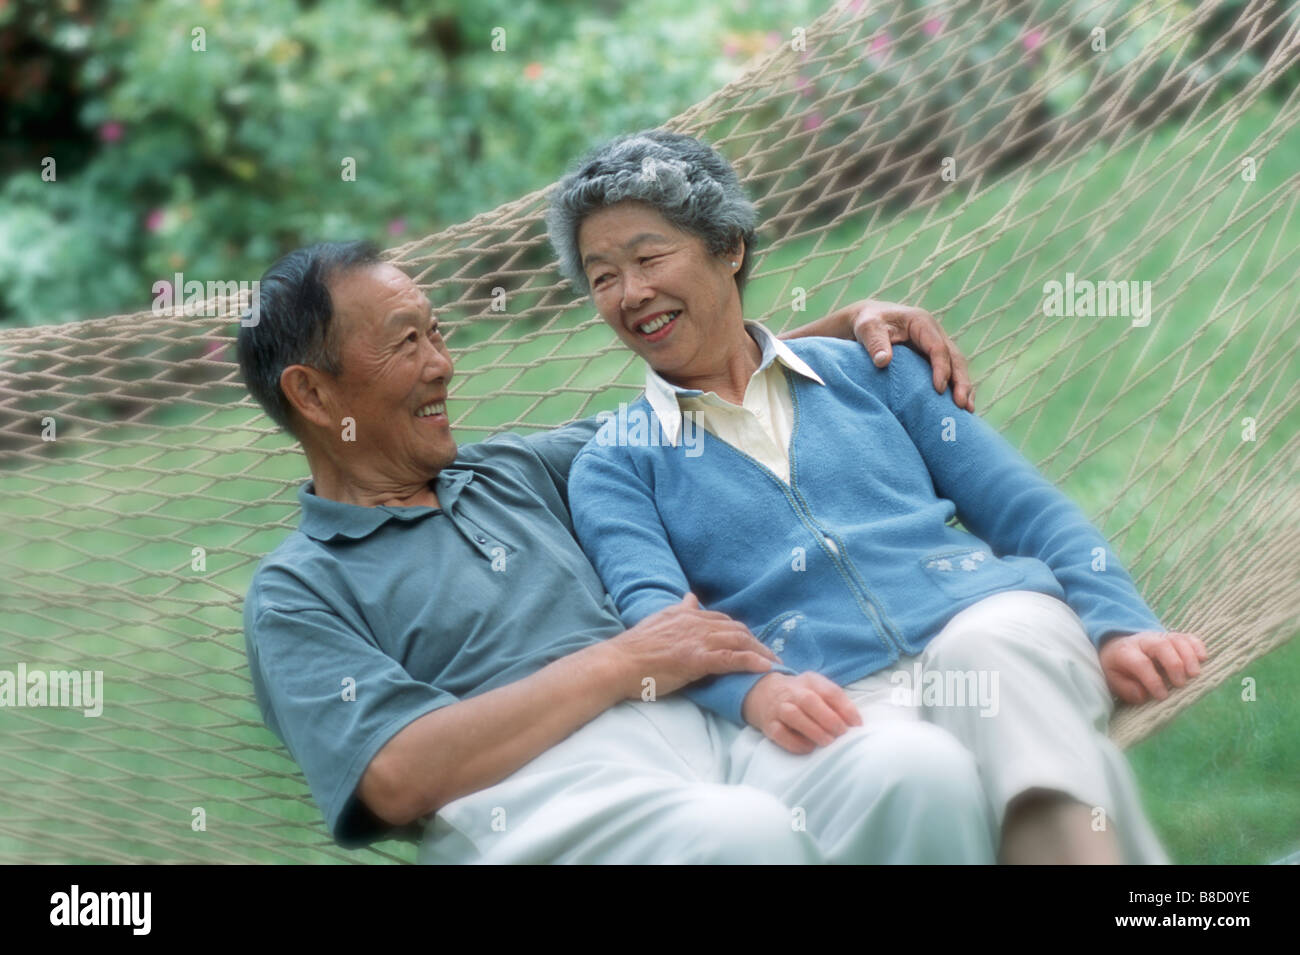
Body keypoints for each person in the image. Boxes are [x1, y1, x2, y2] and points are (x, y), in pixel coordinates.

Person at [553, 129, 1210, 864]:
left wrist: (1118, 621)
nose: (630, 293)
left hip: (985, 617)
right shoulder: (614, 463)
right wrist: (756, 693)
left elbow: (1022, 507)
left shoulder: (872, 371)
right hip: (825, 692)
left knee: (988, 654)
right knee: (909, 769)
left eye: (648, 258)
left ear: (728, 246)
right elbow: (659, 619)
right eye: (602, 275)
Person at [237, 238, 990, 864]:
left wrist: (849, 325)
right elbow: (394, 774)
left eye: (438, 333)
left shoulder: (511, 473)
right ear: (312, 394)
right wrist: (624, 663)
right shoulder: (298, 590)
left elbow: (697, 407)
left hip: (713, 742)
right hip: (540, 806)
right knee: (741, 839)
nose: (442, 364)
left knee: (915, 770)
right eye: (408, 342)